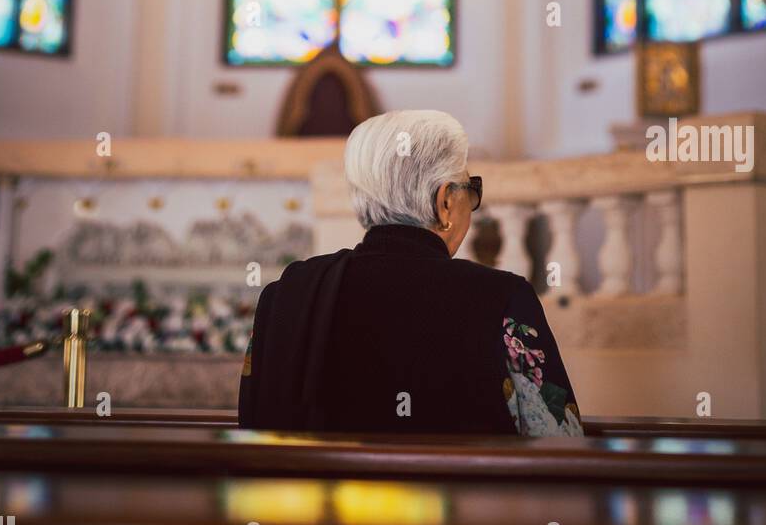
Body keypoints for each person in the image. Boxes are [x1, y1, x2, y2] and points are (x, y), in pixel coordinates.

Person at [238, 109, 582, 437]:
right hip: (466, 497)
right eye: (470, 188)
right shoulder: (505, 298)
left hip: (305, 498)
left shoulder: (284, 295)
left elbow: (250, 427)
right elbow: (559, 441)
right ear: (445, 202)